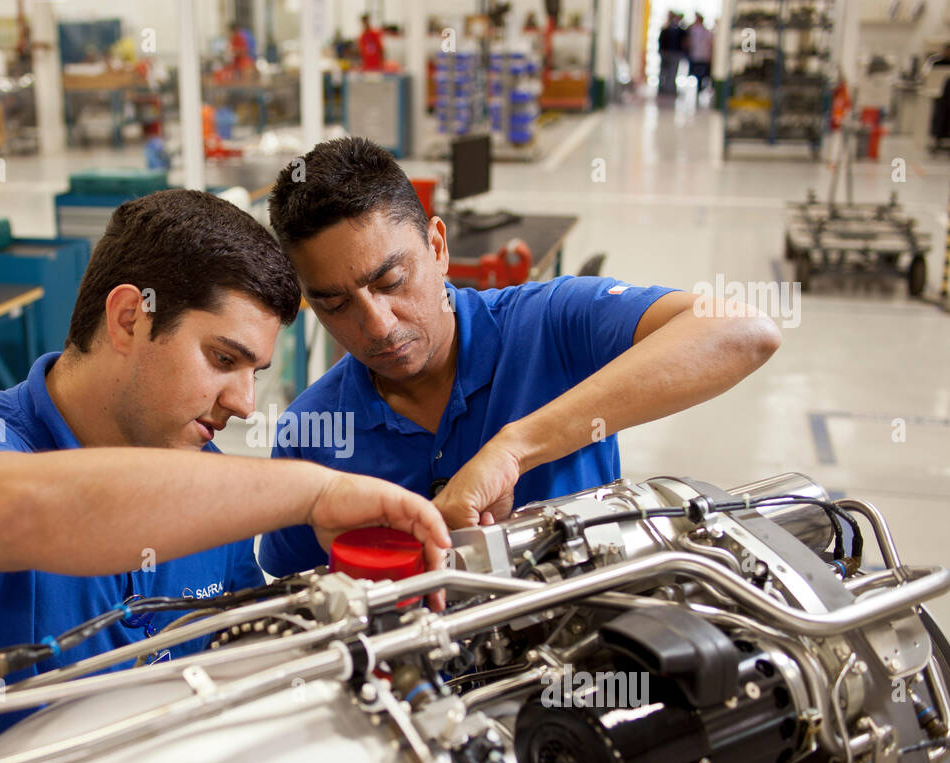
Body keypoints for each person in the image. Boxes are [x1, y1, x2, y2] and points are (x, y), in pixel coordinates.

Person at [0, 188, 450, 758]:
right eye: (224, 359)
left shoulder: (208, 483)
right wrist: (313, 492)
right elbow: (24, 512)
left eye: (256, 372)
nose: (246, 403)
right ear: (127, 318)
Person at [257, 137, 782, 577]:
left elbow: (744, 330)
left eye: (391, 281)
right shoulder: (312, 433)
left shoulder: (551, 323)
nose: (377, 324)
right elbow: (294, 603)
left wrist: (513, 450)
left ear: (438, 248)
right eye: (335, 303)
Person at [685, 13, 713, 97]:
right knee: (698, 73)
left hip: (700, 55)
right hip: (698, 55)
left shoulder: (697, 31)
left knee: (700, 73)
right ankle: (699, 88)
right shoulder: (700, 31)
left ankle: (700, 88)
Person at [658, 12, 685, 97]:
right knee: (664, 71)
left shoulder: (681, 31)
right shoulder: (665, 29)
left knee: (673, 72)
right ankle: (662, 88)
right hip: (665, 53)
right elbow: (661, 40)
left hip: (675, 54)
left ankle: (670, 88)